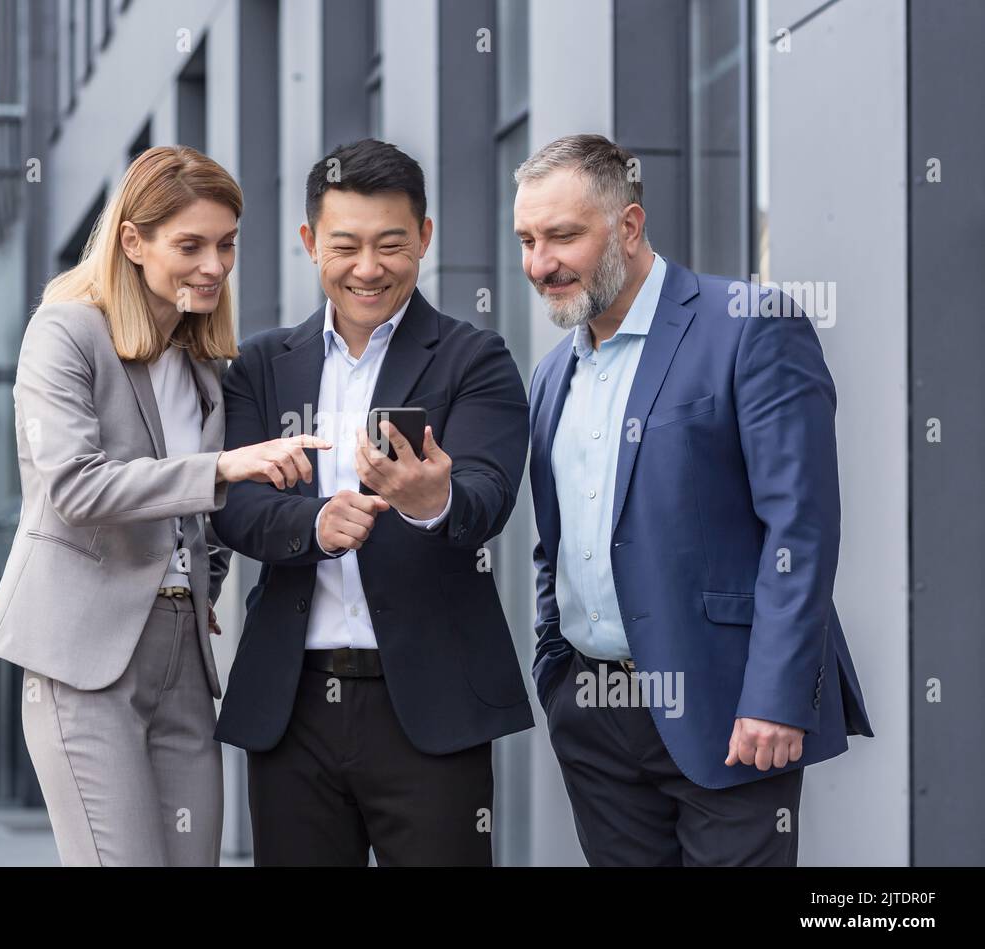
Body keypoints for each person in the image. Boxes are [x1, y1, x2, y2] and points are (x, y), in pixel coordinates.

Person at [520, 133, 873, 866]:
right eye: (526, 240)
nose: (539, 263)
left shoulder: (750, 324)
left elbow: (799, 529)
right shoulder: (552, 374)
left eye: (562, 236)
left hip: (728, 708)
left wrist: (777, 696)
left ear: (628, 225)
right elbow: (558, 540)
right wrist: (556, 668)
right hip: (593, 717)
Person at [0, 145, 327, 866]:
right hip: (84, 655)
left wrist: (206, 579)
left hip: (183, 653)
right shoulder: (65, 332)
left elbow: (201, 515)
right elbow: (74, 487)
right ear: (133, 241)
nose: (214, 265)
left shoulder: (202, 363)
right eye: (190, 246)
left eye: (226, 245)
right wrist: (221, 467)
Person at [211, 138, 533, 866]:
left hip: (431, 705)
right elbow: (231, 504)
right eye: (345, 246)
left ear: (424, 237)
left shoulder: (474, 358)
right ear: (310, 243)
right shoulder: (259, 365)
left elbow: (489, 496)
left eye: (390, 244)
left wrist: (432, 500)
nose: (368, 268)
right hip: (292, 707)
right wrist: (316, 523)